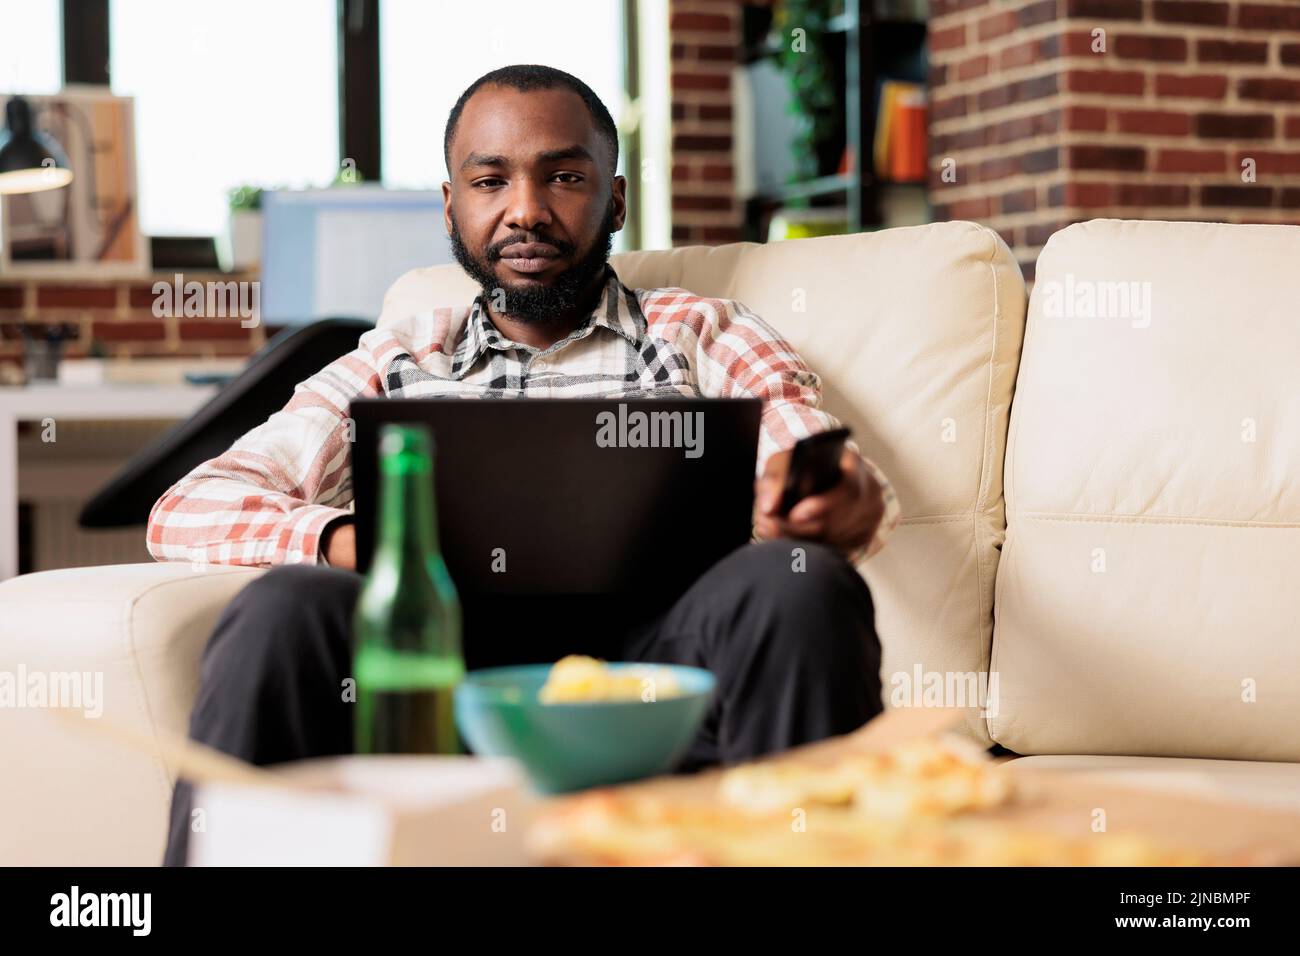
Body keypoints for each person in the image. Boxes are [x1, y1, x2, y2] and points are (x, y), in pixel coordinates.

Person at [149, 65, 901, 865]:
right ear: (451, 206)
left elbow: (815, 457)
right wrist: (346, 540)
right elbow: (191, 506)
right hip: (445, 682)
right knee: (284, 607)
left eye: (564, 177)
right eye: (490, 180)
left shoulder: (701, 330)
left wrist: (829, 500)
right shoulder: (398, 356)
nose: (527, 212)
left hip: (663, 675)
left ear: (613, 199)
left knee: (798, 579)